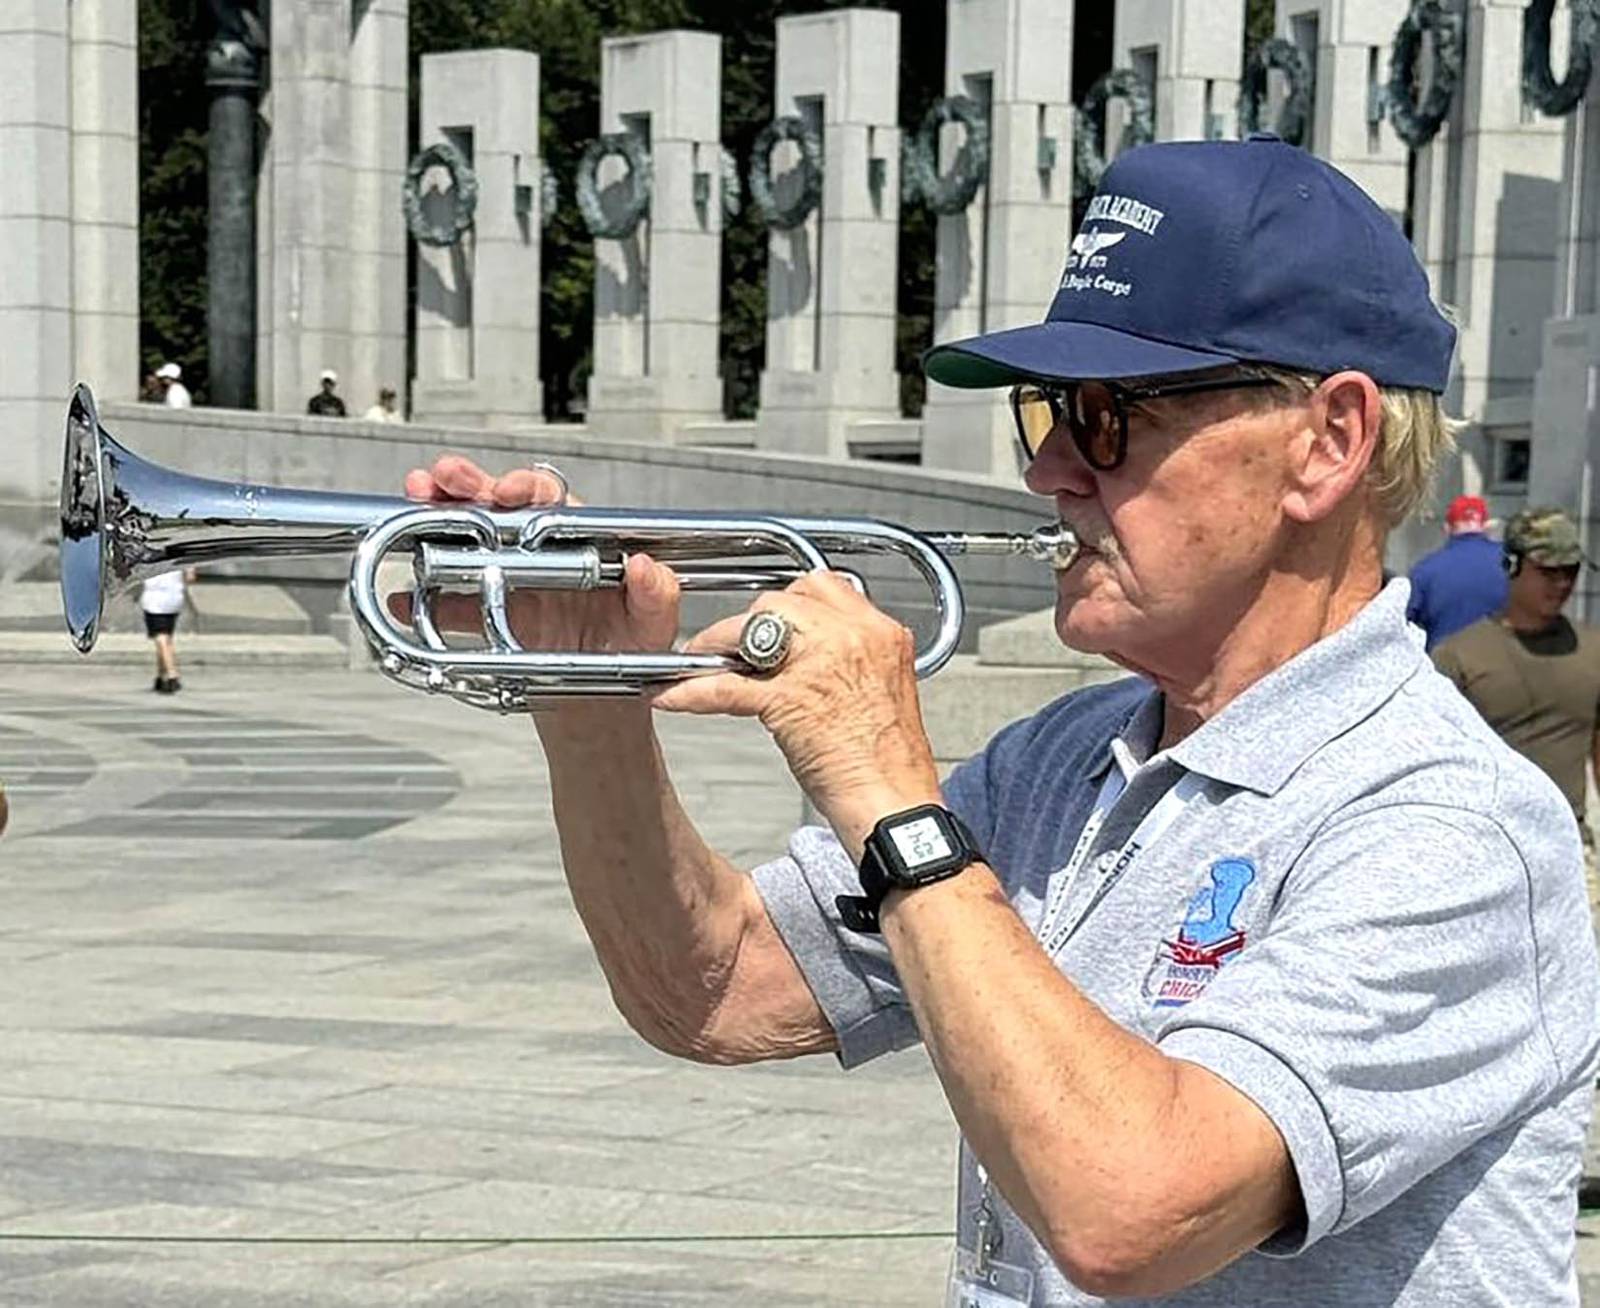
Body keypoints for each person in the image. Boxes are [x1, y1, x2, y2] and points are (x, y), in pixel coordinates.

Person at [408, 138, 1600, 1304]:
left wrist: (886, 788)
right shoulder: (1063, 759)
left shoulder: (1451, 826)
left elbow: (1131, 1210)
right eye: (1046, 414)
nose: (1050, 473)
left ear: (1325, 442)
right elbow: (710, 992)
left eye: (1108, 415)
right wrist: (586, 693)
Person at [1433, 508, 1600, 889]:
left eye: (1570, 571)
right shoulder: (1458, 656)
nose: (1562, 584)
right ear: (1511, 565)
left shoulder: (1594, 650)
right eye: (1548, 571)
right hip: (1483, 846)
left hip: (1568, 846)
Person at [1405, 492, 1508, 649]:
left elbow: (1404, 625)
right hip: (1501, 663)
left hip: (1444, 666)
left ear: (1446, 528)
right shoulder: (1509, 562)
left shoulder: (1425, 571)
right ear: (1486, 526)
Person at [140, 567, 195, 693]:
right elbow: (190, 577)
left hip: (154, 599)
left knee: (161, 637)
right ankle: (161, 675)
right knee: (166, 637)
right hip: (175, 597)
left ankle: (172, 674)